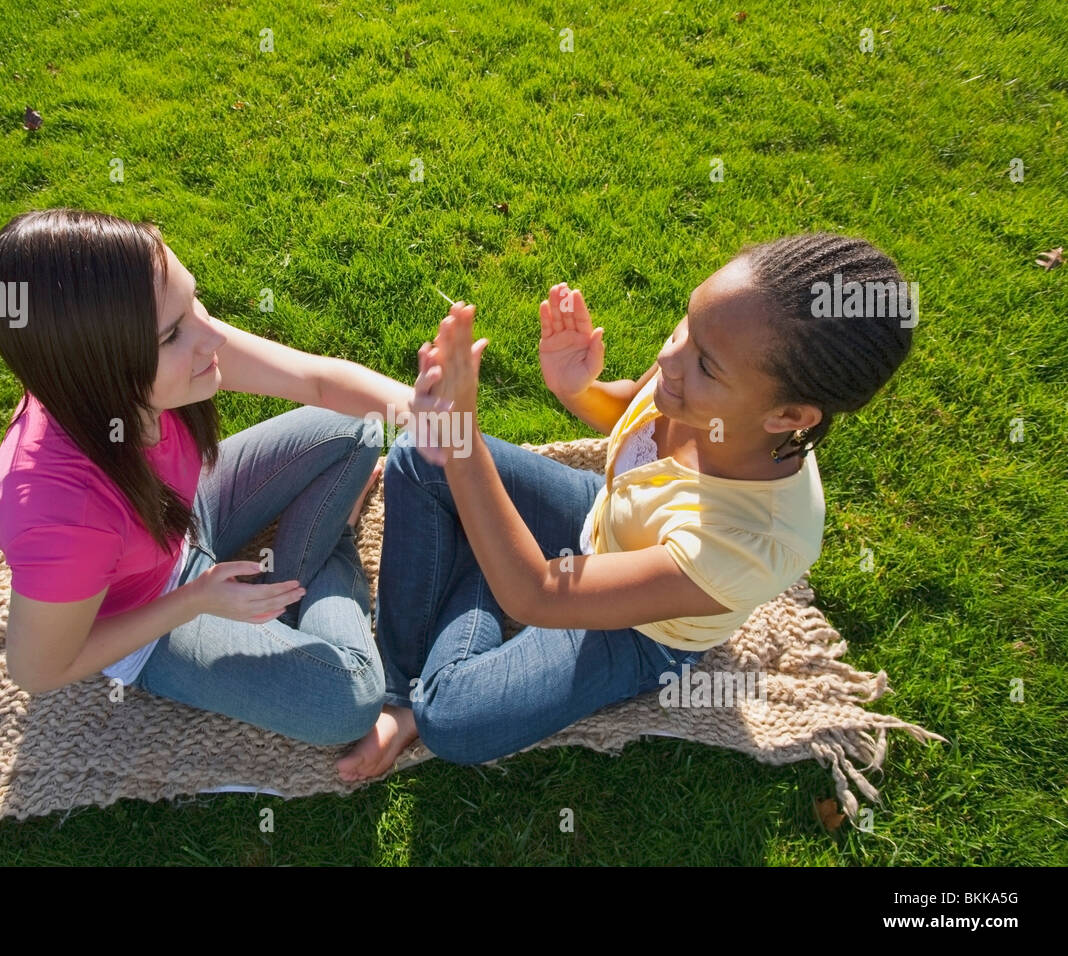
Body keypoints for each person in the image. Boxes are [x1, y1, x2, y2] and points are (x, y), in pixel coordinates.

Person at [338, 233, 916, 778]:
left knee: (453, 722)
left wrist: (463, 439)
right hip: (604, 520)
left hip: (641, 627)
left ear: (788, 418)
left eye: (705, 364)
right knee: (420, 454)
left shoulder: (751, 540)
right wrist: (575, 386)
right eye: (688, 323)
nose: (671, 358)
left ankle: (471, 588)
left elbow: (537, 594)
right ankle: (401, 689)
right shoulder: (700, 379)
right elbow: (631, 417)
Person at [0, 208, 423, 746]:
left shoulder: (154, 361)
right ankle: (330, 545)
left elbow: (318, 380)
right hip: (154, 619)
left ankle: (298, 564)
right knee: (349, 700)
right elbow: (38, 670)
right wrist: (193, 601)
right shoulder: (59, 514)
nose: (212, 335)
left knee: (357, 425)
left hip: (183, 514)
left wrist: (428, 410)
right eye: (172, 334)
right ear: (99, 366)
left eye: (193, 301)